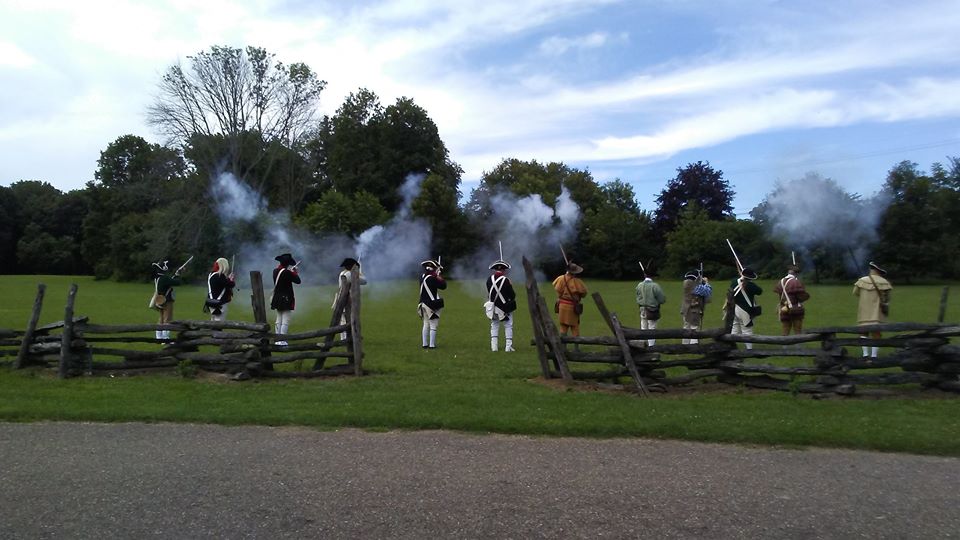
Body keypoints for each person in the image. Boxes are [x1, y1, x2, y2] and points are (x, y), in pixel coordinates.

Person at [853, 261, 892, 360]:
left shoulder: (862, 280)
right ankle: (874, 355)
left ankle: (865, 354)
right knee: (876, 333)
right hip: (877, 313)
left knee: (863, 333)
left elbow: (855, 293)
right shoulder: (884, 282)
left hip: (864, 311)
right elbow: (887, 298)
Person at [485, 259, 518, 352]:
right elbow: (512, 295)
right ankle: (508, 347)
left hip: (493, 307)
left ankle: (494, 347)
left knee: (494, 325)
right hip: (505, 307)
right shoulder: (506, 280)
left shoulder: (489, 279)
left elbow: (489, 293)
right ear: (504, 270)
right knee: (508, 325)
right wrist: (510, 285)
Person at [726, 267, 762, 349]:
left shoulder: (734, 281)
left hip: (735, 308)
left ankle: (730, 346)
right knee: (747, 330)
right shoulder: (751, 285)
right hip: (745, 310)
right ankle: (749, 349)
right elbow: (759, 291)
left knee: (735, 329)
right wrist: (751, 283)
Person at [270, 253, 301, 346]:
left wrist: (291, 272)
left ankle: (277, 339)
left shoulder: (275, 271)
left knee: (278, 318)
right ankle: (282, 340)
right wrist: (295, 272)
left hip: (277, 298)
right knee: (285, 319)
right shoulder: (287, 273)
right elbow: (298, 281)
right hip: (286, 298)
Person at [333, 257, 367, 340]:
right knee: (349, 319)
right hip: (347, 299)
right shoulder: (349, 274)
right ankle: (348, 338)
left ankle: (346, 338)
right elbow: (364, 281)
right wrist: (360, 273)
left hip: (342, 298)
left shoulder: (343, 273)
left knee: (344, 320)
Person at [150, 259, 182, 341]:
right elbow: (177, 282)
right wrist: (178, 275)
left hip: (159, 300)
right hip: (167, 301)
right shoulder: (164, 278)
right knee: (167, 320)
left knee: (161, 319)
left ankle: (159, 337)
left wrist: (176, 275)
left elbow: (170, 282)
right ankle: (165, 339)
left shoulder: (158, 278)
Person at [773, 264, 810, 336]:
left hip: (784, 308)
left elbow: (780, 295)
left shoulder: (780, 281)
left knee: (785, 330)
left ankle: (784, 343)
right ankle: (798, 343)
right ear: (796, 274)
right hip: (796, 309)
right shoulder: (796, 282)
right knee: (798, 330)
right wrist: (806, 295)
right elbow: (801, 297)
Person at [552, 262, 588, 336]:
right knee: (575, 326)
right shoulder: (577, 281)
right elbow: (584, 294)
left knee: (563, 326)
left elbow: (557, 289)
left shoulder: (561, 278)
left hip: (561, 306)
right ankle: (576, 343)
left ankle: (563, 342)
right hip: (572, 307)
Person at [418, 259, 446, 349]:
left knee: (426, 324)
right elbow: (443, 286)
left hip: (422, 303)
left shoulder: (422, 276)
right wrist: (439, 276)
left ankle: (424, 344)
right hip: (431, 304)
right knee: (433, 325)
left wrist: (436, 275)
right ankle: (432, 345)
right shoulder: (433, 278)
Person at [635, 266, 666, 346]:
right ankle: (651, 346)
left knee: (643, 328)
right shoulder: (655, 286)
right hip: (652, 310)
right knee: (652, 329)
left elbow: (638, 297)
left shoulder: (639, 285)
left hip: (642, 309)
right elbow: (662, 299)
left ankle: (642, 345)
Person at [681, 270, 712, 345]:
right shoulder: (695, 286)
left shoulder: (686, 283)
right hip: (694, 310)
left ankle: (685, 345)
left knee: (686, 328)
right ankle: (693, 347)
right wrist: (706, 282)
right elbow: (708, 291)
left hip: (685, 309)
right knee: (694, 329)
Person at [205, 257, 235, 322]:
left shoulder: (211, 274)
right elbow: (230, 284)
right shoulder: (220, 276)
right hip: (219, 303)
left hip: (211, 302)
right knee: (219, 323)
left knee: (213, 321)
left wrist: (228, 279)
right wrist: (231, 280)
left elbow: (222, 284)